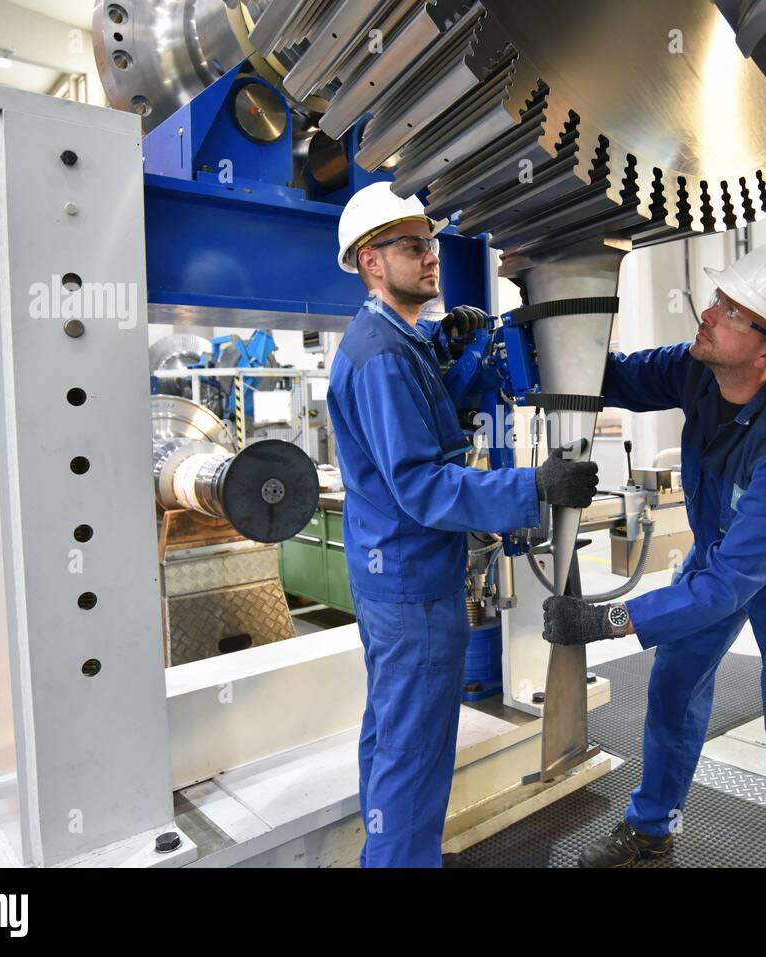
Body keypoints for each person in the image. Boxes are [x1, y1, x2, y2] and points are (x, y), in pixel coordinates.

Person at [541, 243, 766, 868]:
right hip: (720, 556)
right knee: (674, 688)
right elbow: (606, 375)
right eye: (718, 298)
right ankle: (652, 826)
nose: (708, 313)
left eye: (731, 310)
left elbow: (724, 589)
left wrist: (607, 621)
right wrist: (523, 347)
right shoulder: (696, 368)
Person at [328, 182, 599, 867]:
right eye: (412, 246)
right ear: (370, 261)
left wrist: (457, 362)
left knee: (395, 735)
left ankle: (387, 855)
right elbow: (421, 483)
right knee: (415, 754)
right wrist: (533, 486)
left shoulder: (399, 342)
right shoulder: (385, 355)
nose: (431, 257)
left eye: (430, 243)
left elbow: (429, 430)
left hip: (399, 572)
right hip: (414, 580)